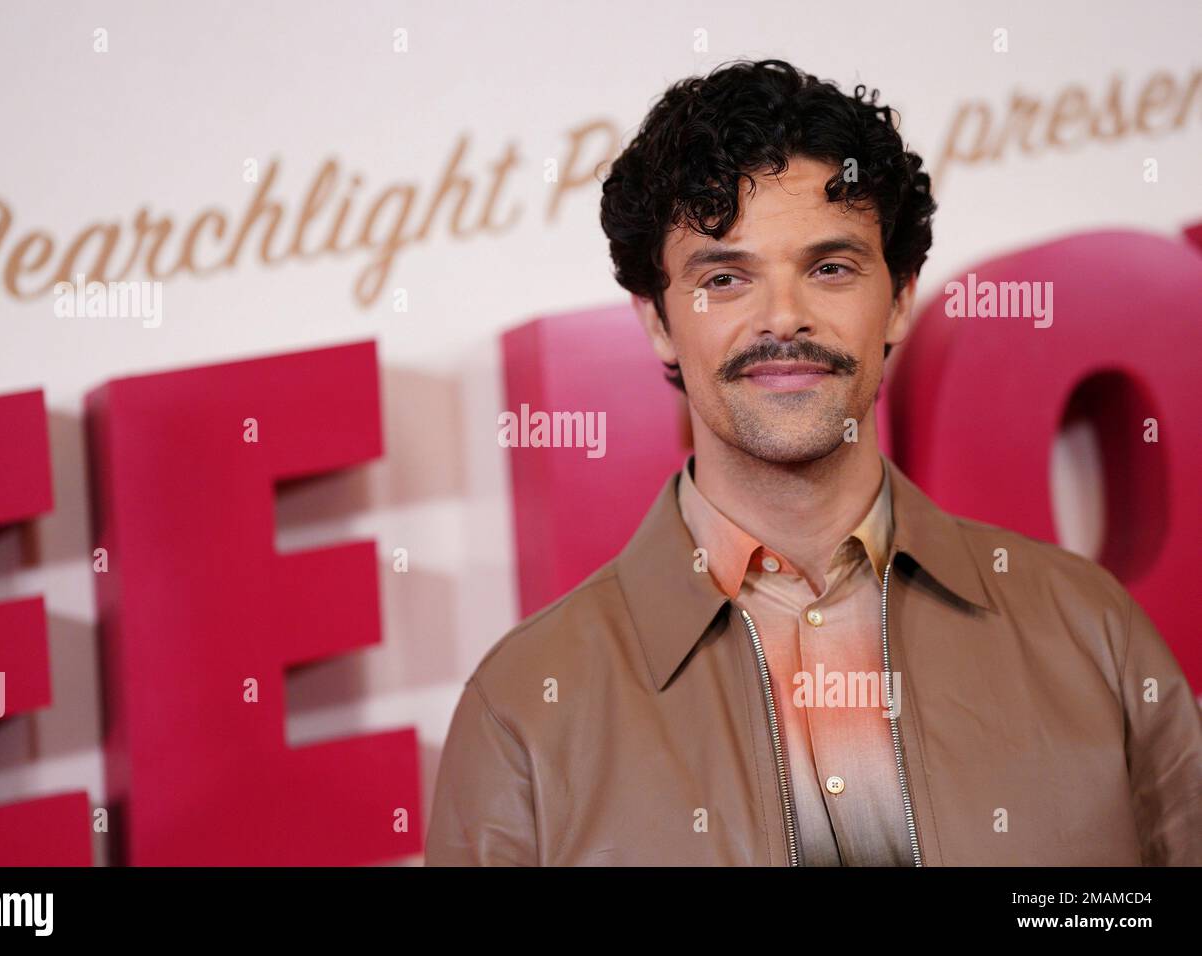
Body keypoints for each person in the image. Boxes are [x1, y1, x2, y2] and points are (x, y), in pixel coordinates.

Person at [424, 59, 1202, 866]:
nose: (783, 318)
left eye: (830, 268)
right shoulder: (521, 713)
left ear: (899, 298)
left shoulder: (1092, 631)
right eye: (726, 278)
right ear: (658, 323)